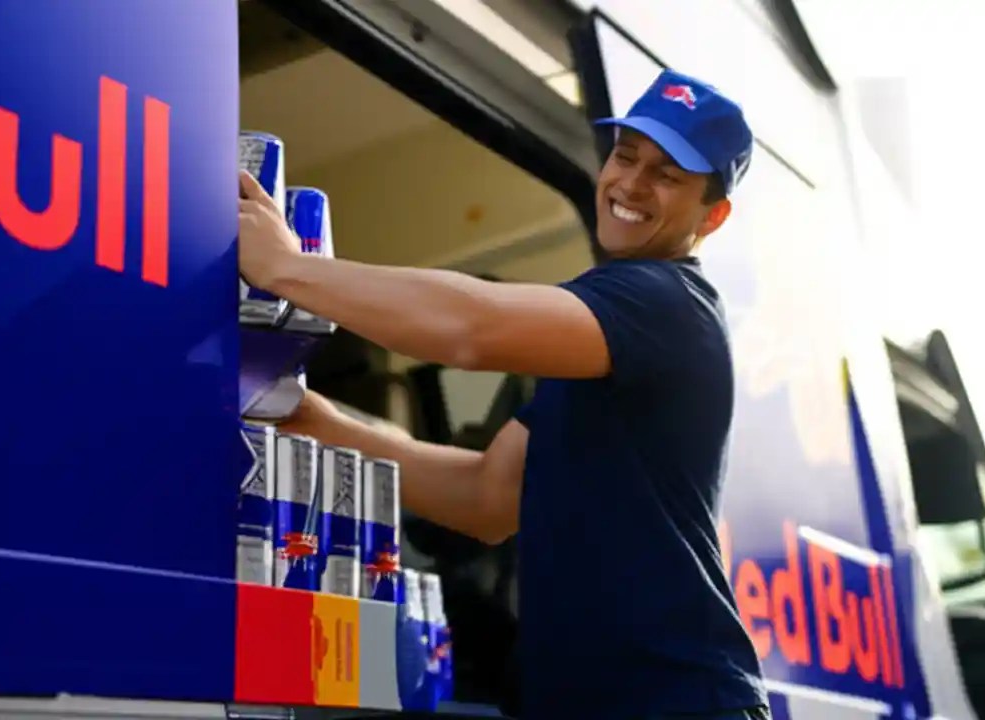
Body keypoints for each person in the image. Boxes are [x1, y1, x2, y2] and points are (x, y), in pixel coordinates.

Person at [238, 68, 768, 720]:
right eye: (625, 156)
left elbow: (470, 329)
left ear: (711, 216)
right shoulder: (613, 336)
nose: (630, 183)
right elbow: (487, 497)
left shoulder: (663, 303)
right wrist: (311, 419)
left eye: (667, 174)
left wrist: (288, 270)